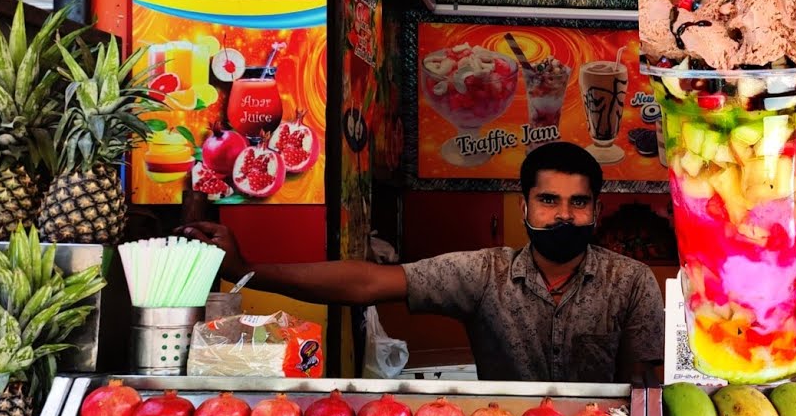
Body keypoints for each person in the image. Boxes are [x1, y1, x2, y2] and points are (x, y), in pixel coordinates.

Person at [181, 142, 665, 383]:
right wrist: (249, 268)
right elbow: (367, 282)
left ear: (596, 211)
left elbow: (643, 392)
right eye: (549, 201)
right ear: (524, 208)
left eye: (578, 204)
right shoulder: (483, 274)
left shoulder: (631, 282)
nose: (563, 215)